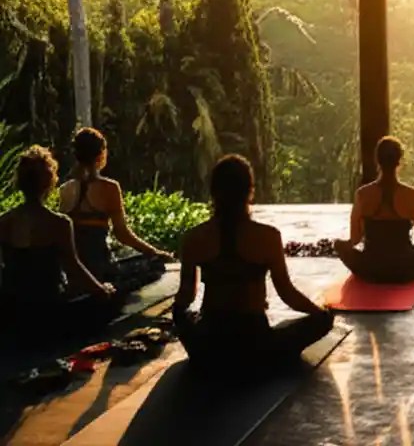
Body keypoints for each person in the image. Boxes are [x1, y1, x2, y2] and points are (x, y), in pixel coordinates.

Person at [174, 155, 333, 375]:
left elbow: (185, 297)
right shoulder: (268, 236)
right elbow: (287, 293)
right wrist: (320, 313)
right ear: (250, 191)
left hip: (210, 348)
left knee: (184, 319)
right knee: (323, 321)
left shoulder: (194, 238)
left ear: (213, 192)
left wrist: (181, 321)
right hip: (257, 347)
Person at [0, 146, 117, 337]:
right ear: (49, 182)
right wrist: (102, 291)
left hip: (13, 308)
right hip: (49, 308)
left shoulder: (4, 221)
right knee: (114, 296)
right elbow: (73, 267)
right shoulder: (59, 223)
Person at [58, 128, 170, 289]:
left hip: (75, 272)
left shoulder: (64, 190)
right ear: (101, 154)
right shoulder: (109, 187)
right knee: (155, 264)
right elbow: (122, 234)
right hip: (101, 270)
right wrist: (155, 252)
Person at [335, 136, 414, 283]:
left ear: (377, 160)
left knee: (338, 245)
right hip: (405, 269)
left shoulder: (362, 194)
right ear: (399, 161)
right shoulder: (412, 195)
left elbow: (354, 240)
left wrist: (340, 245)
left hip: (371, 269)